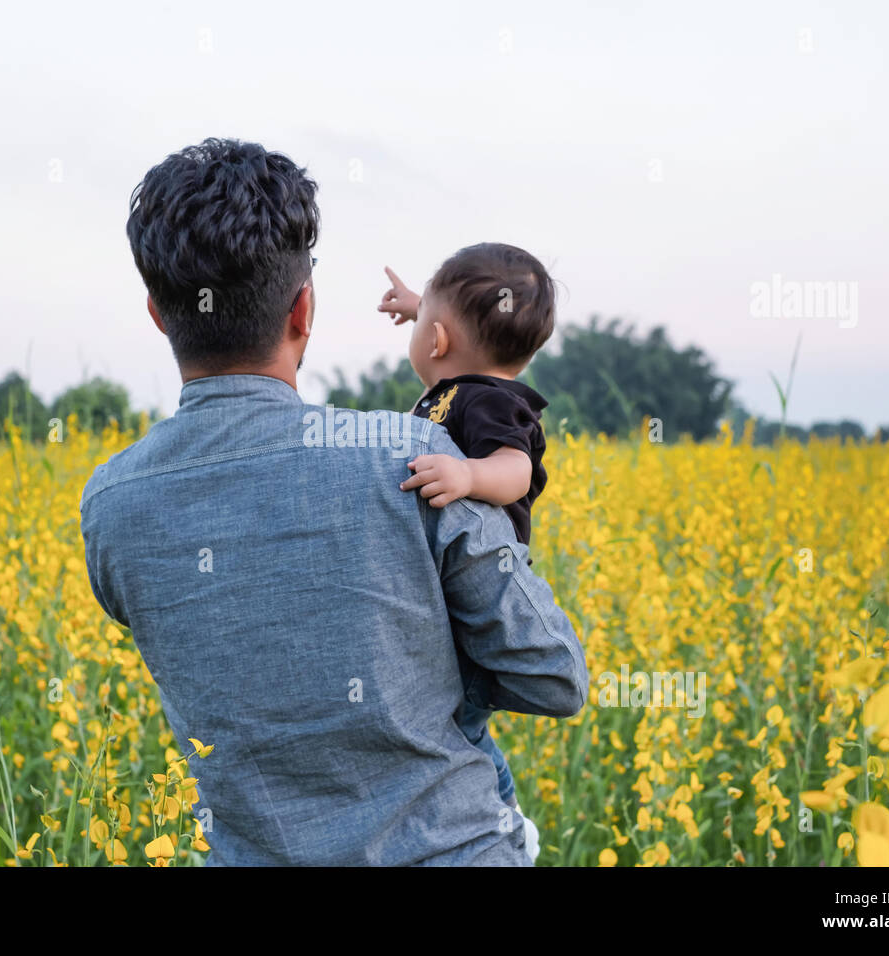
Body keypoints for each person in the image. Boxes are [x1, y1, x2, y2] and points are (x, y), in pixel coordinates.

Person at [80, 137, 588, 865]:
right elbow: (552, 675)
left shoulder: (113, 504)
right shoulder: (412, 457)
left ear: (160, 314)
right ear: (304, 309)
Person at [377, 246, 556, 842]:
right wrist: (418, 307)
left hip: (480, 593)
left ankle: (506, 820)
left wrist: (469, 477)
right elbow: (445, 333)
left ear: (438, 342)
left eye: (424, 317)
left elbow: (517, 470)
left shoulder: (490, 400)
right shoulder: (461, 387)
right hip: (448, 587)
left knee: (464, 727)